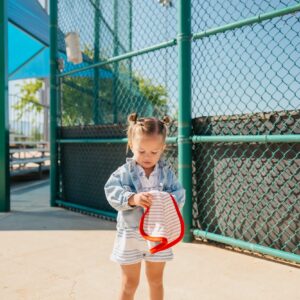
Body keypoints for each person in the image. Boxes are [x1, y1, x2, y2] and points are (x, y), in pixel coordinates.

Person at [104, 112, 185, 300]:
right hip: (130, 235)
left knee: (156, 281)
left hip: (158, 234)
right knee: (129, 283)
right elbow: (111, 191)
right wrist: (132, 198)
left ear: (163, 148)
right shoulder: (123, 173)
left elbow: (179, 194)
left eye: (154, 152)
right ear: (132, 145)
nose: (147, 157)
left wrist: (166, 199)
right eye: (141, 151)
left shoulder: (166, 174)